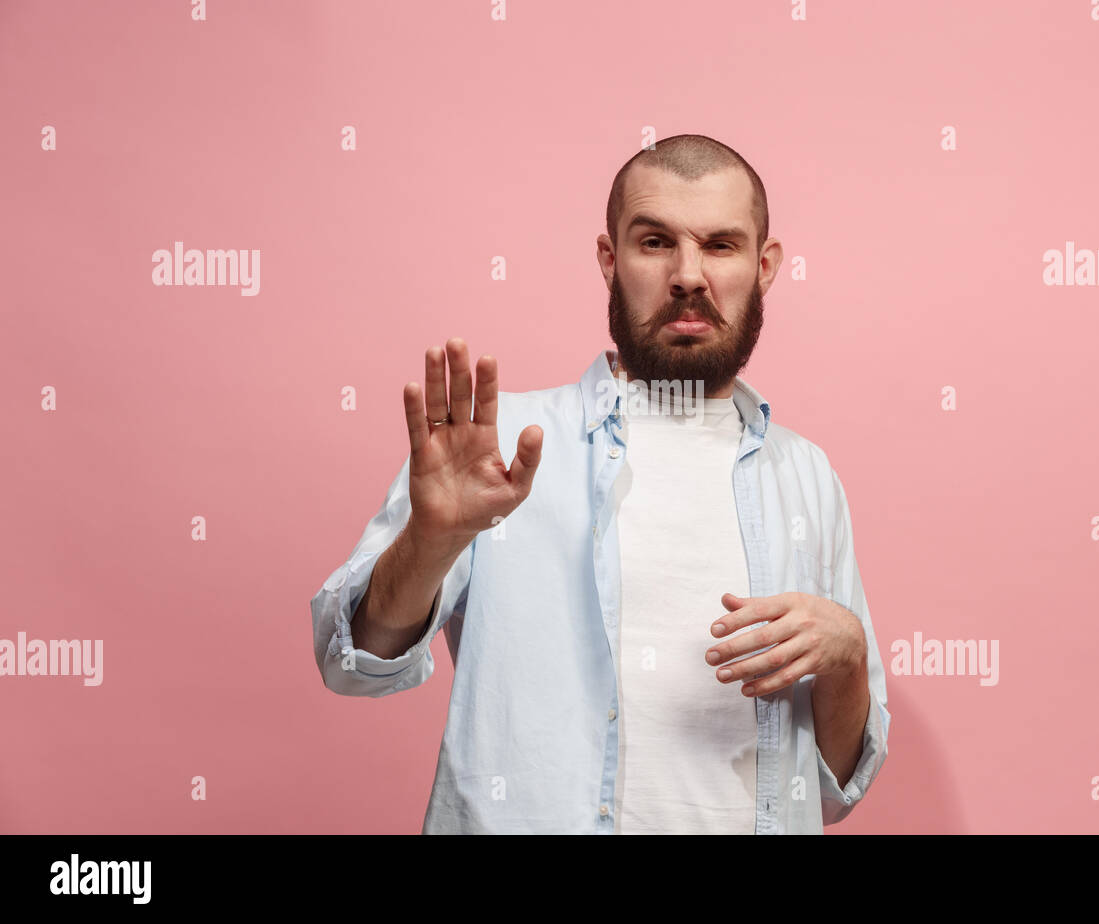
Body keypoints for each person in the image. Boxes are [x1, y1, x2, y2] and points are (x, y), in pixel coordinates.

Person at [309, 134, 890, 834]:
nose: (687, 275)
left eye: (720, 245)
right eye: (654, 242)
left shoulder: (805, 476)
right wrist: (431, 541)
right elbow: (353, 662)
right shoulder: (498, 447)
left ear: (764, 266)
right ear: (609, 260)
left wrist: (847, 656)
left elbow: (835, 789)